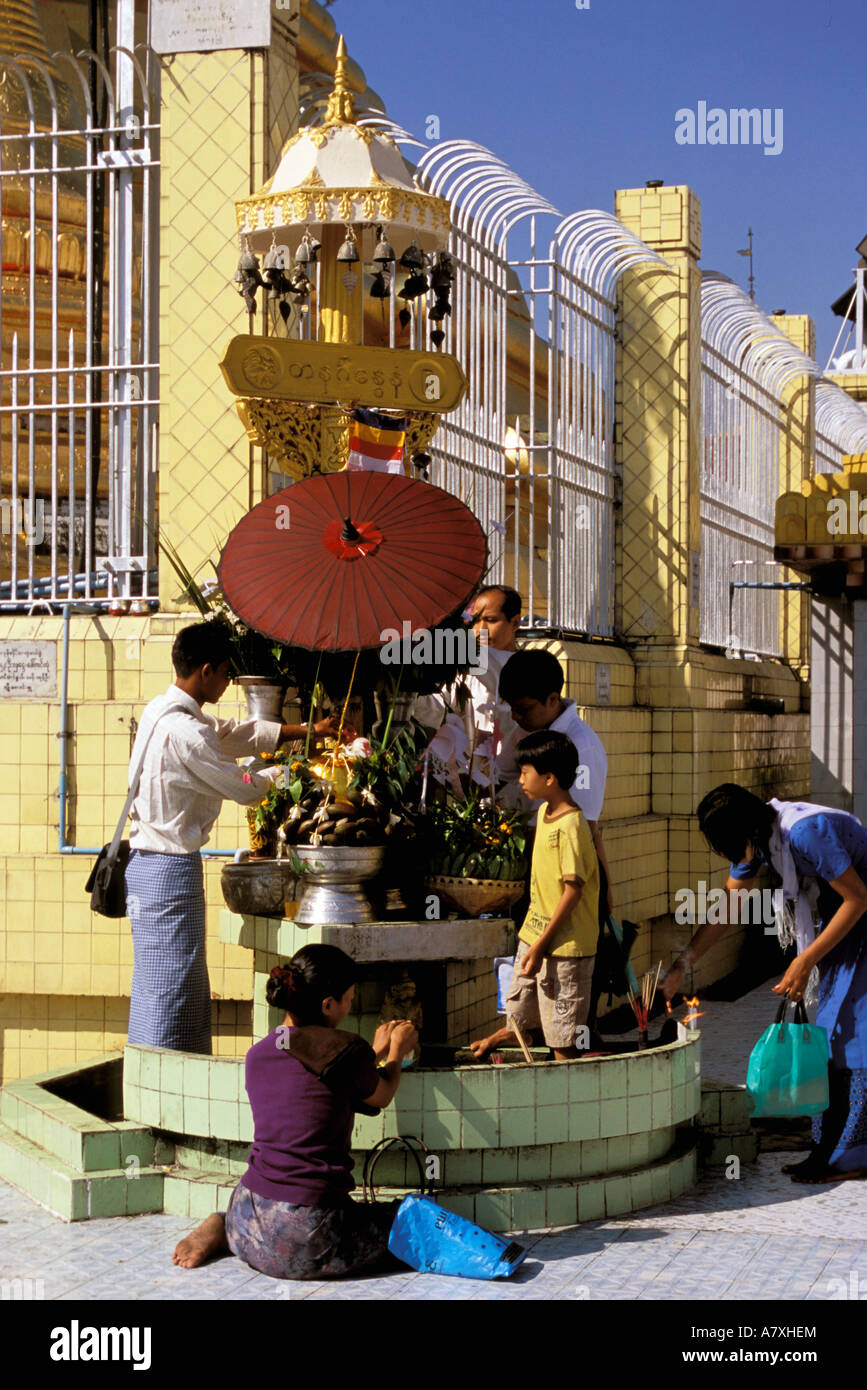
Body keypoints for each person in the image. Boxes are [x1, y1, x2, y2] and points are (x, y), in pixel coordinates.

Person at [126, 621, 339, 1055]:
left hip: (149, 866)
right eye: (225, 672)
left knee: (165, 980)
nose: (228, 682)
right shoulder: (184, 733)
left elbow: (229, 734)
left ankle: (163, 1067)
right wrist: (291, 772)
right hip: (167, 870)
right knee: (173, 986)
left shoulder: (166, 710)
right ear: (206, 670)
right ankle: (168, 1073)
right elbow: (242, 782)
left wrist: (306, 733)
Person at [172, 945, 418, 1278]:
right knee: (409, 1220)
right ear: (327, 1005)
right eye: (348, 999)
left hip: (250, 1214)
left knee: (255, 1215)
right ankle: (230, 1228)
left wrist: (370, 1052)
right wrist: (396, 1053)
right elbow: (382, 1093)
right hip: (310, 1236)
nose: (350, 1006)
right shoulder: (348, 1051)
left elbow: (319, 1081)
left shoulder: (259, 1053)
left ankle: (223, 1224)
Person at [662, 784, 867, 1184]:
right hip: (843, 917)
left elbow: (857, 898)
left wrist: (806, 960)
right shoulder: (761, 837)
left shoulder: (805, 833)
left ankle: (848, 1154)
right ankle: (828, 1149)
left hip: (860, 913)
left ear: (742, 835)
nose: (723, 856)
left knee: (850, 1031)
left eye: (722, 845)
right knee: (830, 1031)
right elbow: (729, 904)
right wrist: (682, 964)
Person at [470, 732, 599, 1062]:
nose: (521, 779)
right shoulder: (542, 813)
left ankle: (567, 1101)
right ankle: (499, 1041)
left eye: (526, 772)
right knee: (520, 1014)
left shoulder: (572, 825)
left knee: (562, 1035)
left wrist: (542, 945)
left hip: (565, 946)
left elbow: (573, 891)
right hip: (534, 934)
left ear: (549, 778)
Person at [498, 648, 613, 908]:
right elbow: (498, 777)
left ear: (552, 699)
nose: (516, 717)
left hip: (558, 881)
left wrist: (604, 900)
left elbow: (587, 828)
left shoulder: (581, 747)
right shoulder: (525, 730)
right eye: (512, 709)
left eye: (523, 709)